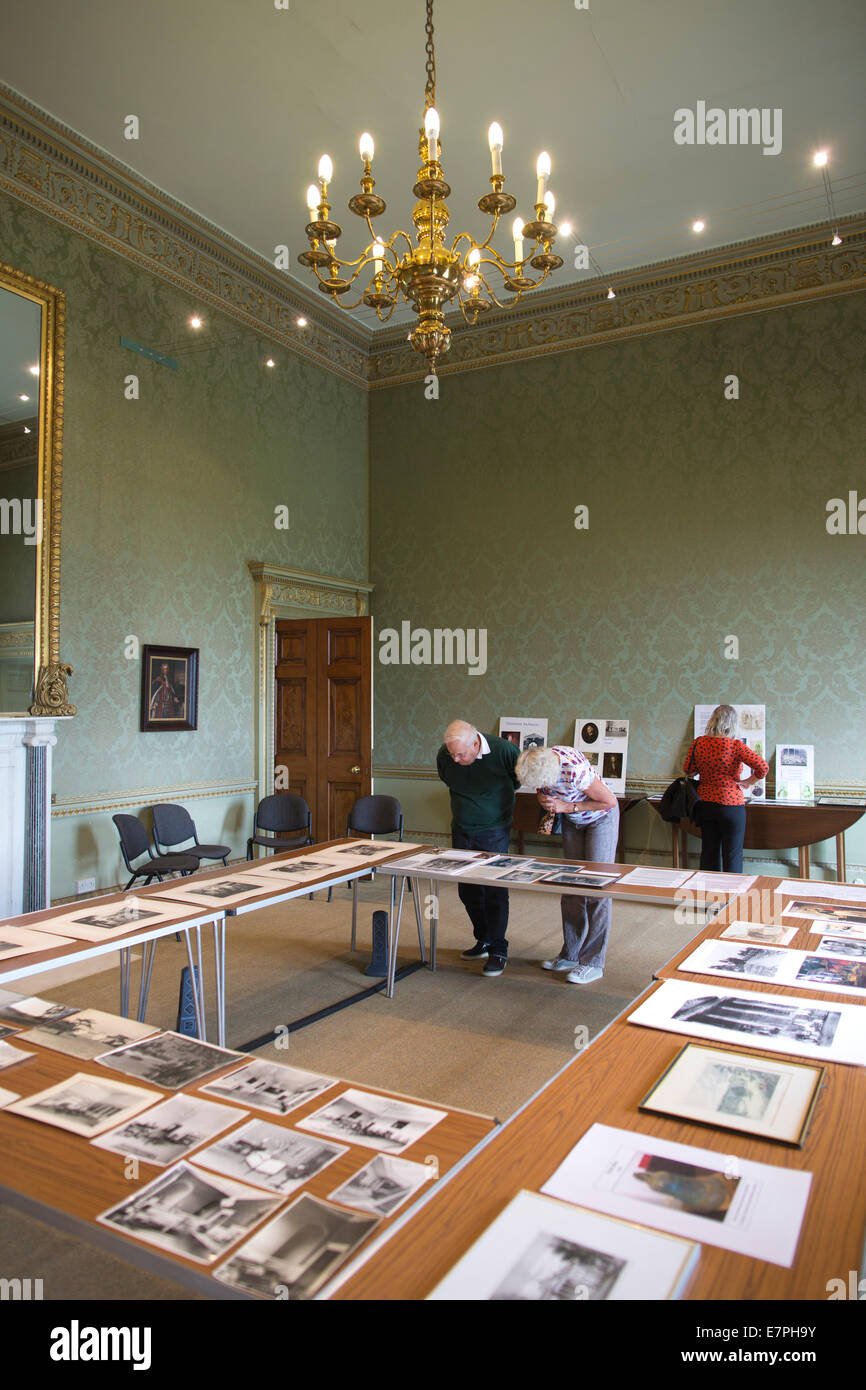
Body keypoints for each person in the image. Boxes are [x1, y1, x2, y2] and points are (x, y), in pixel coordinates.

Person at [515, 745, 619, 985]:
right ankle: (571, 954)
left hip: (600, 819)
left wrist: (567, 807)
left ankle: (593, 962)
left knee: (597, 888)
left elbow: (609, 801)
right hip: (573, 820)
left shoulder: (574, 770)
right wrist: (543, 797)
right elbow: (543, 788)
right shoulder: (535, 760)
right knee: (571, 885)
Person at [436, 720, 520, 978]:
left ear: (476, 743)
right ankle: (483, 938)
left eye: (461, 754)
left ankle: (498, 949)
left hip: (494, 829)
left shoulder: (505, 751)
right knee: (468, 890)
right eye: (452, 754)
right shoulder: (446, 755)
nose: (456, 759)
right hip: (461, 828)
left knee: (494, 890)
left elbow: (518, 781)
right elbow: (447, 778)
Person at [684, 704, 769, 872]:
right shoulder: (736, 746)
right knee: (732, 854)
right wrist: (748, 782)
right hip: (731, 804)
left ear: (712, 721)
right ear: (733, 723)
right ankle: (732, 896)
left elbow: (688, 770)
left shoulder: (698, 743)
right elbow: (763, 767)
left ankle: (708, 895)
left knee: (709, 852)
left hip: (705, 804)